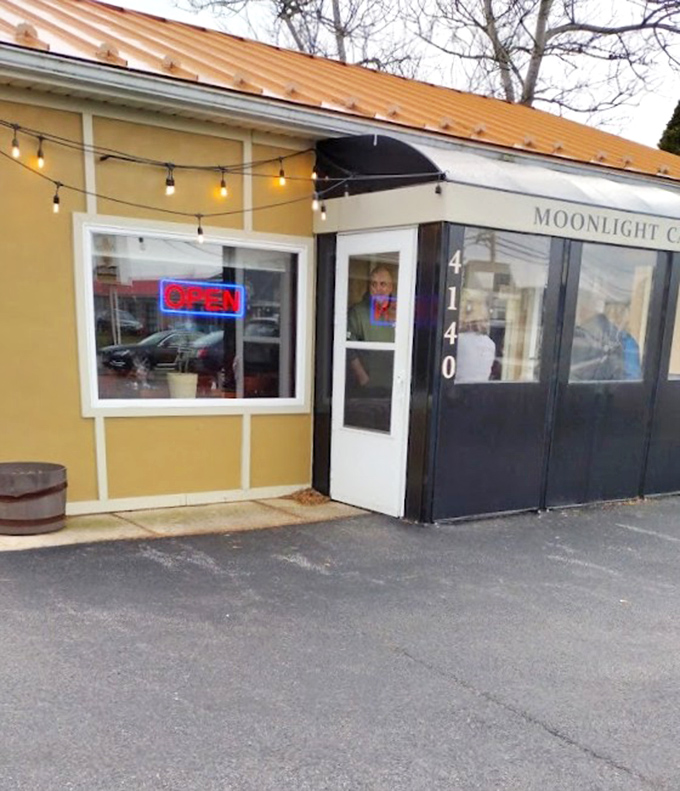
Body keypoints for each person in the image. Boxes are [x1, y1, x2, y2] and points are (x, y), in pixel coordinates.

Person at [347, 265, 396, 390]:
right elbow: (349, 348)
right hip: (368, 387)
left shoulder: (401, 311)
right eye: (374, 284)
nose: (378, 289)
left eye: (383, 284)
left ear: (391, 288)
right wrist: (363, 378)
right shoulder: (357, 313)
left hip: (396, 385)